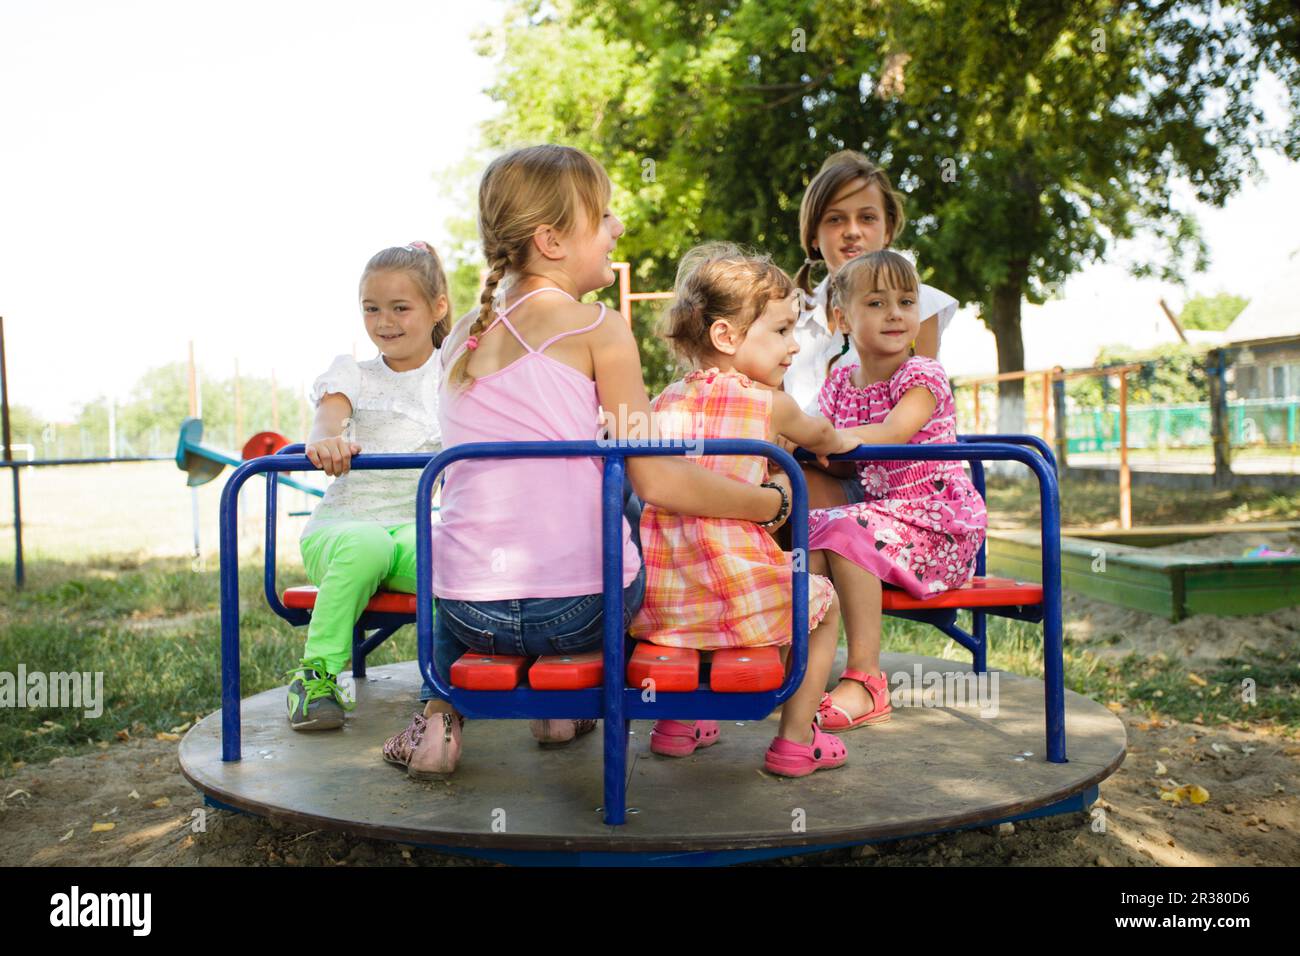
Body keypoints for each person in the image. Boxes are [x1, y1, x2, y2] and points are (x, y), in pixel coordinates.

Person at [380, 146, 795, 779]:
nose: (617, 227)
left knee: (491, 514)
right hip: (581, 615)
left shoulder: (463, 331)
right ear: (550, 240)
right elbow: (656, 477)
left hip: (468, 615)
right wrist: (772, 503)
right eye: (602, 215)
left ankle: (437, 714)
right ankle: (572, 711)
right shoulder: (601, 328)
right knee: (622, 494)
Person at [630, 242, 860, 777]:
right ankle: (796, 742)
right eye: (781, 331)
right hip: (732, 586)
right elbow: (822, 435)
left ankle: (676, 725)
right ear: (726, 336)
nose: (795, 347)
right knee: (820, 606)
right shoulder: (769, 404)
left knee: (694, 627)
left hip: (663, 601)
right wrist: (838, 441)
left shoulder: (663, 403)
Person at [806, 250, 987, 731]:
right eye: (877, 302)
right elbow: (815, 427)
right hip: (884, 524)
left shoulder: (922, 375)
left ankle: (865, 680)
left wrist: (825, 438)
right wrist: (791, 433)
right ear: (841, 318)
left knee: (843, 529)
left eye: (906, 301)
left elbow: (892, 431)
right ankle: (797, 670)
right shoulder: (839, 381)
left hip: (940, 529)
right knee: (805, 531)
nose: (895, 313)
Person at [289, 242, 450, 730]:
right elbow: (327, 419)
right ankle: (315, 678)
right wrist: (326, 442)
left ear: (437, 307)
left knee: (456, 553)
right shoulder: (352, 374)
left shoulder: (454, 375)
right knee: (366, 543)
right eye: (372, 308)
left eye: (401, 308)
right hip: (343, 531)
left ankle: (444, 691)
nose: (385, 321)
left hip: (408, 530)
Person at [784, 149, 959, 511]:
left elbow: (905, 422)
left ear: (888, 228)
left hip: (896, 484)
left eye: (867, 218)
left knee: (791, 493)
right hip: (818, 465)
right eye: (835, 220)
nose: (852, 232)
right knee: (769, 486)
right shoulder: (790, 318)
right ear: (813, 235)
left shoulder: (916, 306)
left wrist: (815, 439)